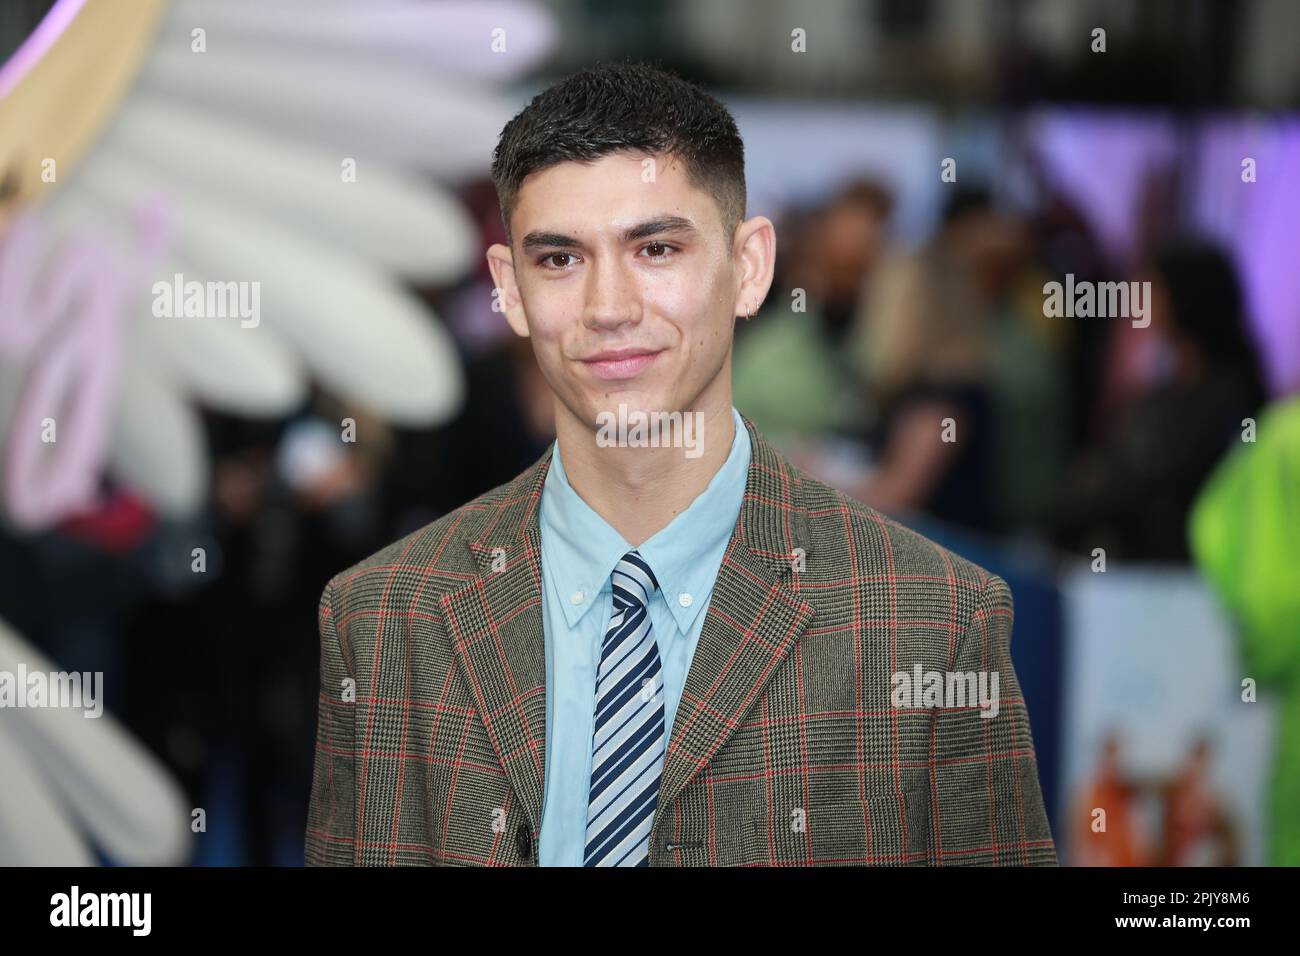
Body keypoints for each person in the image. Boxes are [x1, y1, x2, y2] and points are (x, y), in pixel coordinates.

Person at [304, 61, 1055, 867]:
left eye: (656, 248)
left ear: (751, 267)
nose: (609, 308)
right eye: (559, 259)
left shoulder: (932, 624)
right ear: (510, 289)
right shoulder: (383, 622)